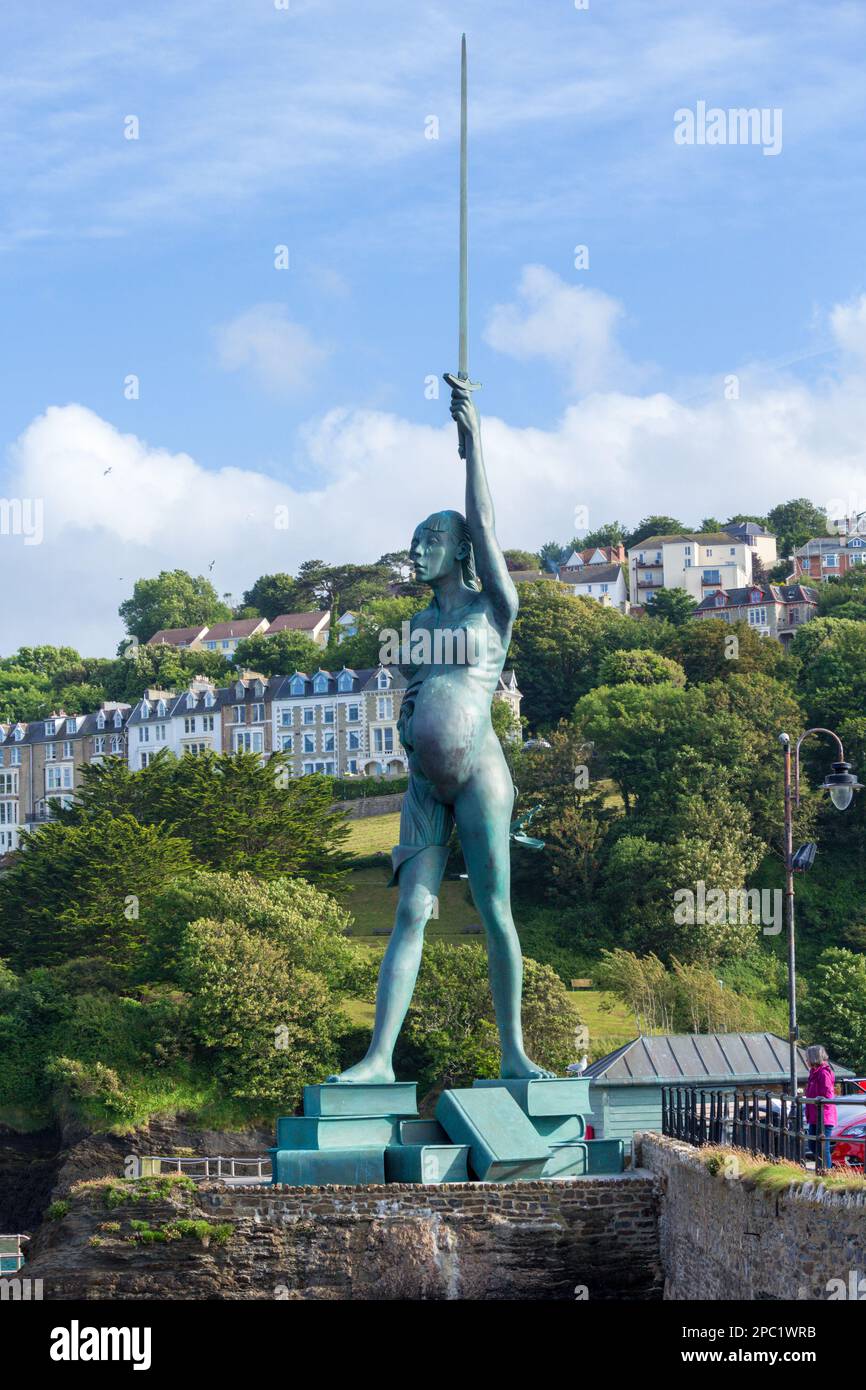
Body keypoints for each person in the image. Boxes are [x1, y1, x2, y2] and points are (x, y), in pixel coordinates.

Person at [329, 381, 554, 1084]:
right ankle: (377, 1060)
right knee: (411, 913)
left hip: (482, 772)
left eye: (431, 539)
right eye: (414, 541)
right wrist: (404, 719)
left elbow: (486, 524)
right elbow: (416, 696)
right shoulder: (418, 626)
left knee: (494, 911)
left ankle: (514, 1053)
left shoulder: (494, 606)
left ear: (459, 550)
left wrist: (474, 442)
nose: (417, 549)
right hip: (425, 781)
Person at [804, 1044, 837, 1169]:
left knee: (823, 1146)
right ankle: (823, 1168)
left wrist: (819, 1100)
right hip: (815, 1116)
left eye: (807, 1058)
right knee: (813, 1144)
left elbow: (828, 1095)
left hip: (824, 1116)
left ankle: (826, 1171)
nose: (806, 1060)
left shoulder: (823, 1073)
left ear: (813, 1058)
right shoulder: (814, 1072)